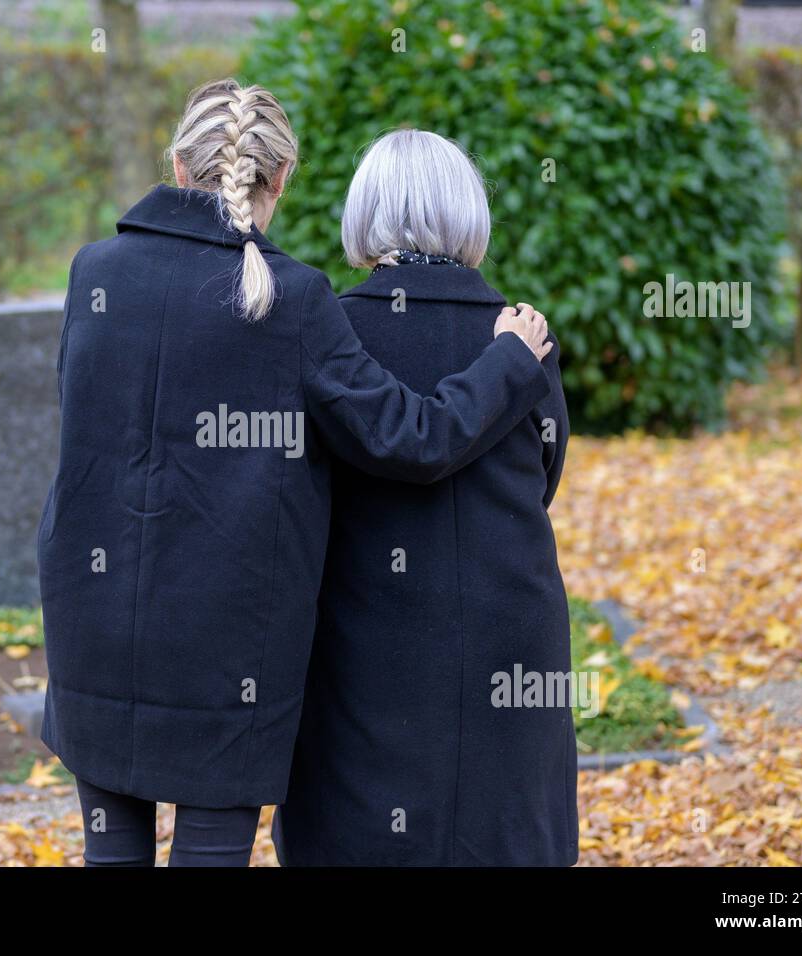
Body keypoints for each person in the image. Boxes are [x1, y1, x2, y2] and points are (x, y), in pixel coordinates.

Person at [38, 82, 552, 866]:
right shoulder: (295, 299)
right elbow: (413, 441)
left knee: (111, 850)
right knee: (211, 847)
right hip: (228, 640)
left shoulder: (94, 274)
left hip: (93, 616)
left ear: (176, 161)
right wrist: (510, 363)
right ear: (278, 182)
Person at [274, 130, 575, 866]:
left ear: (364, 214)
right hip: (511, 623)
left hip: (364, 630)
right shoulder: (523, 336)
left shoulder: (331, 332)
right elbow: (546, 472)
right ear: (468, 214)